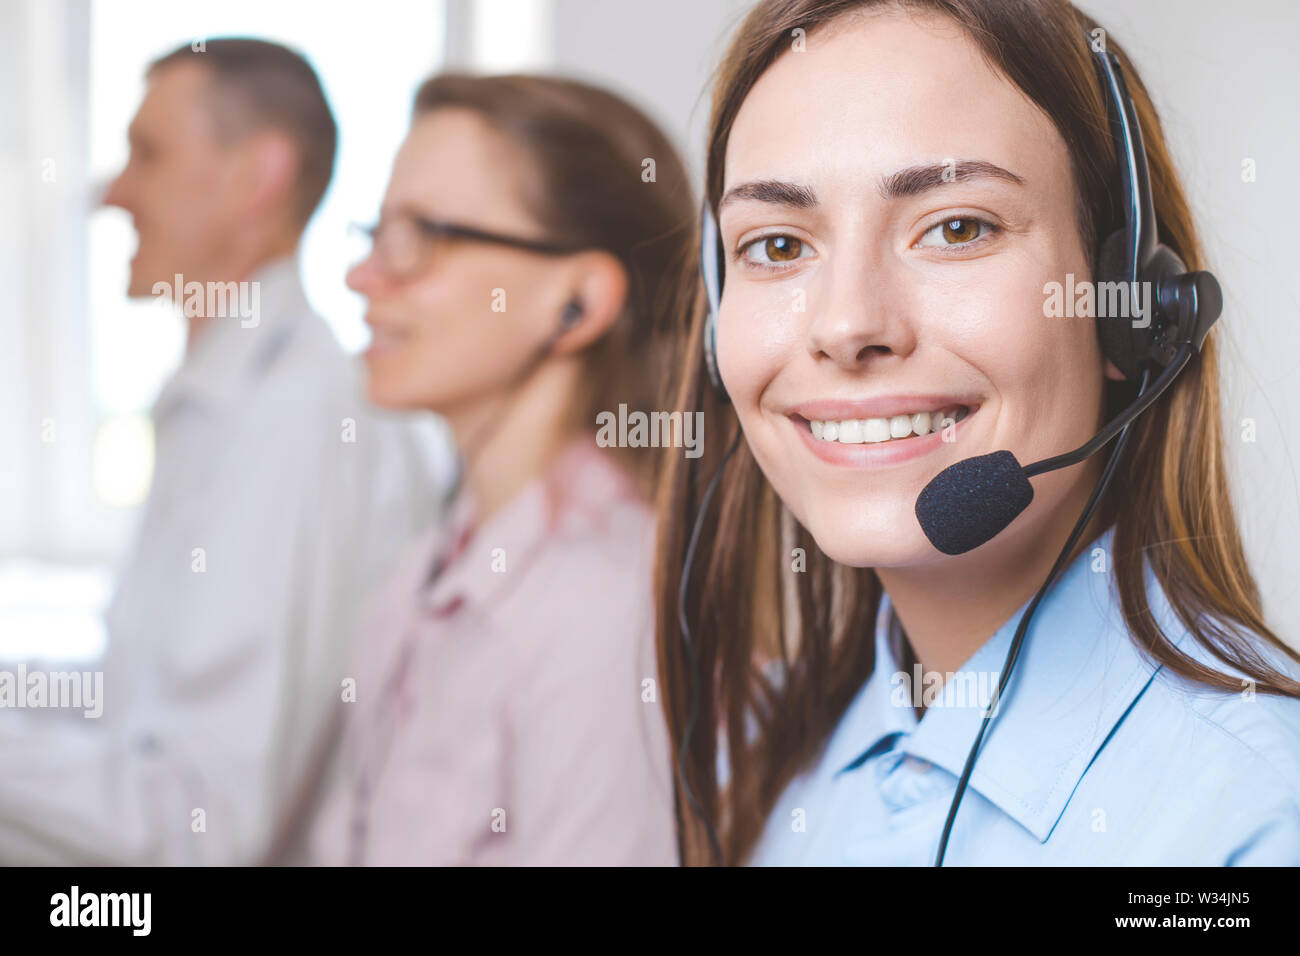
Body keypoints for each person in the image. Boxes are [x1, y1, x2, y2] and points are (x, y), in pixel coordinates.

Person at [657, 0, 1300, 866]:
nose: (847, 324)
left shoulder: (1257, 817)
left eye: (958, 227)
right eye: (776, 246)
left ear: (1132, 310)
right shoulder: (790, 779)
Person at [0, 39, 443, 864]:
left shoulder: (298, 422)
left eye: (149, 155)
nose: (113, 192)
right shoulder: (223, 399)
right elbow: (133, 695)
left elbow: (201, 820)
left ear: (257, 179)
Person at [310, 73, 694, 865]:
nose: (363, 275)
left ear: (579, 301)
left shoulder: (605, 610)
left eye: (423, 235)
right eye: (375, 232)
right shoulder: (419, 575)